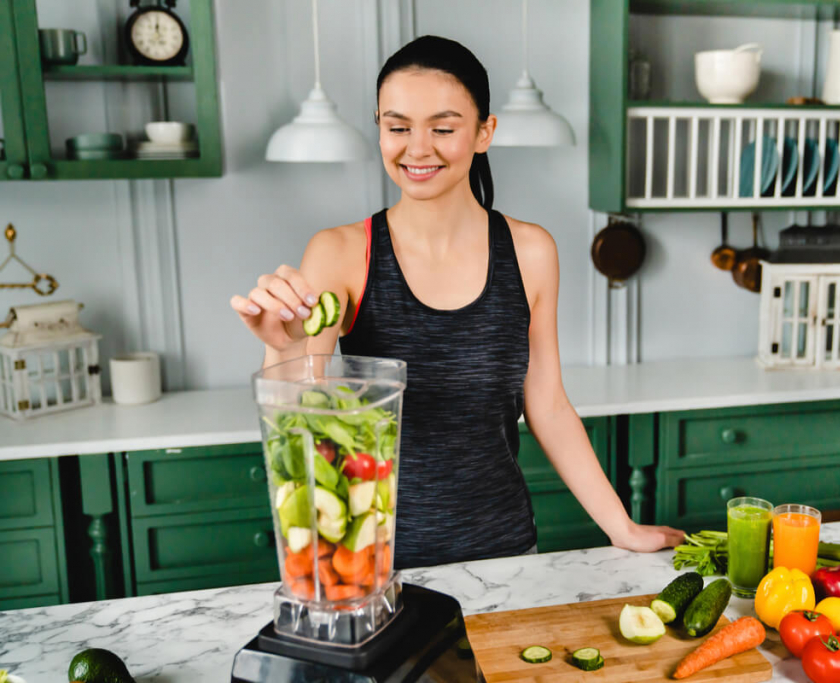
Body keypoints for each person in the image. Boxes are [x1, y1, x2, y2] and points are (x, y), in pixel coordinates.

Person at [231, 35, 686, 569]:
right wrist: (281, 349)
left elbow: (548, 405)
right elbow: (297, 418)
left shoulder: (530, 252)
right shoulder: (341, 253)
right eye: (397, 127)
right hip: (378, 565)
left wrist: (622, 527)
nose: (417, 148)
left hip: (507, 554)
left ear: (484, 132)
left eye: (443, 129)